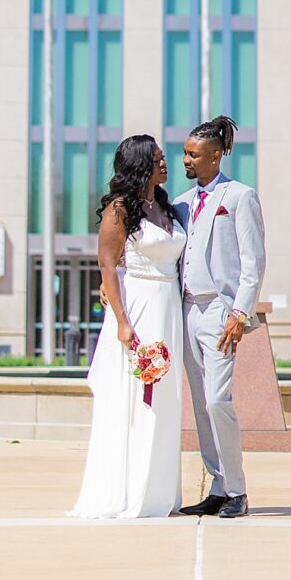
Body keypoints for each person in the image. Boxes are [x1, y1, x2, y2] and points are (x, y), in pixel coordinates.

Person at [68, 134, 184, 521]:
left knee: (165, 402)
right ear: (140, 164)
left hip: (170, 307)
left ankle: (159, 491)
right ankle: (131, 491)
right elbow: (108, 265)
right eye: (158, 158)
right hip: (139, 307)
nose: (166, 163)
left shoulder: (167, 206)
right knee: (138, 399)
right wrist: (121, 321)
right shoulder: (120, 208)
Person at [174, 114, 267, 520]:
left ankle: (237, 489)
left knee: (217, 400)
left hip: (219, 309)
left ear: (216, 156)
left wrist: (240, 312)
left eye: (193, 155)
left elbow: (254, 261)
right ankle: (217, 485)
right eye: (184, 155)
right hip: (187, 309)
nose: (186, 161)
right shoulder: (180, 202)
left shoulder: (239, 196)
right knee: (199, 403)